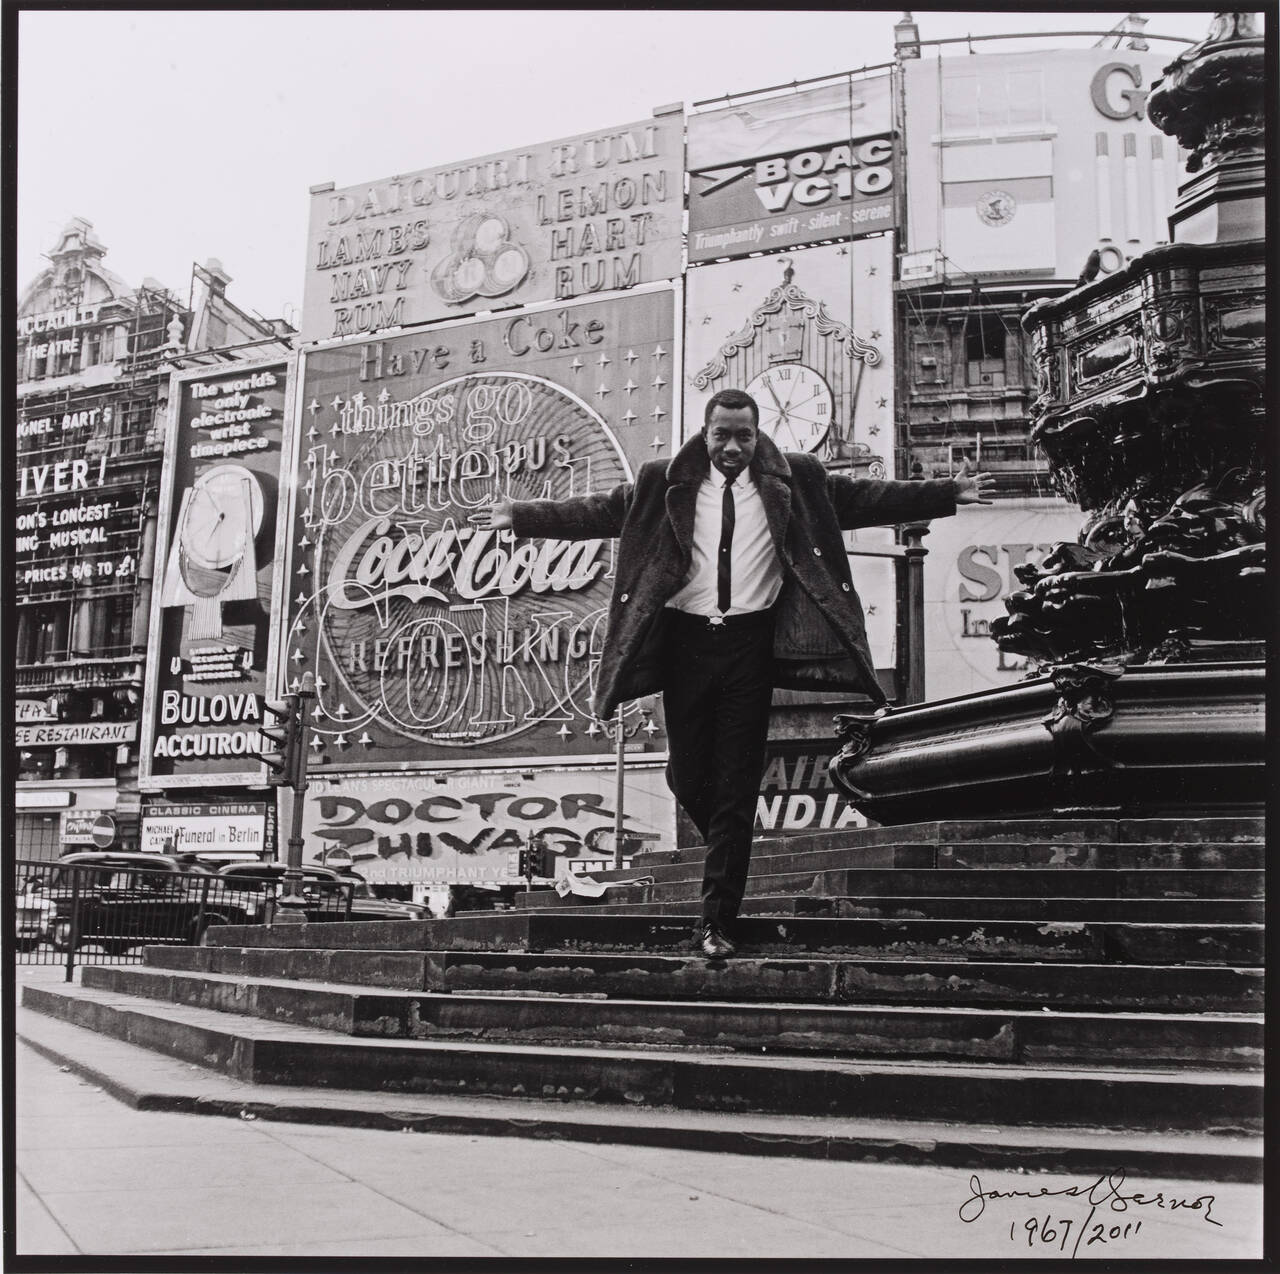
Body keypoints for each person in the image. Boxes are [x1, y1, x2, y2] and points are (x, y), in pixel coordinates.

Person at [481, 387, 993, 959]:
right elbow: (601, 510)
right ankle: (733, 847)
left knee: (737, 786)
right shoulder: (662, 481)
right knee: (688, 775)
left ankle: (717, 921)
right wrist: (521, 516)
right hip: (684, 645)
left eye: (743, 435)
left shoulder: (795, 479)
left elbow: (866, 496)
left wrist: (948, 492)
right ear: (705, 433)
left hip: (751, 646)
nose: (732, 446)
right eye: (722, 435)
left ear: (759, 434)